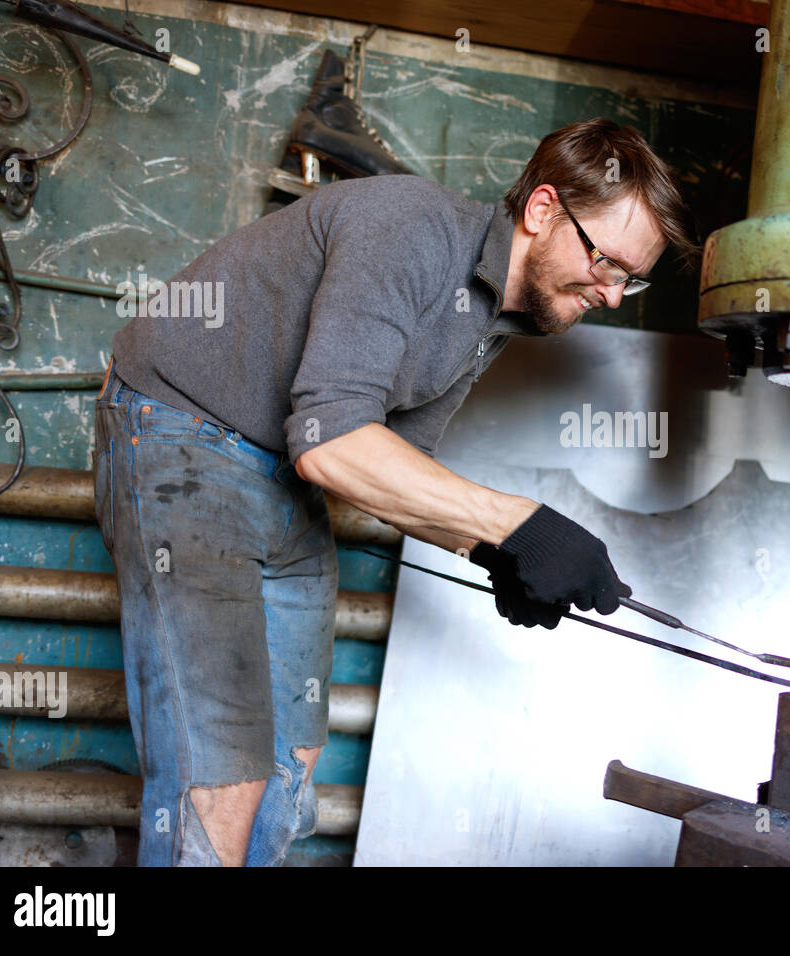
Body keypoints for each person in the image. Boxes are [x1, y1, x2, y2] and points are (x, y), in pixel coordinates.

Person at [92, 118, 700, 866]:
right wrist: (517, 523)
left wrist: (494, 554)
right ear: (543, 210)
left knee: (290, 773)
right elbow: (333, 442)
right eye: (607, 263)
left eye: (630, 279)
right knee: (224, 777)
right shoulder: (409, 228)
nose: (612, 294)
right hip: (181, 436)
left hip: (281, 477)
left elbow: (395, 461)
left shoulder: (497, 317)